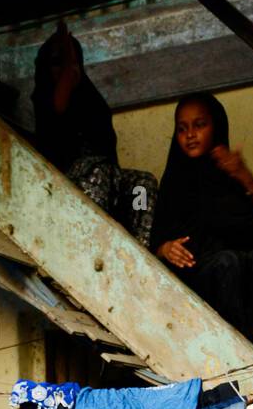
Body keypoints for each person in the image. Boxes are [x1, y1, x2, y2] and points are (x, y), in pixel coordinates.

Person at [150, 91, 253, 354]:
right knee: (227, 262)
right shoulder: (174, 181)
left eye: (199, 125)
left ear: (217, 127)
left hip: (238, 272)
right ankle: (239, 348)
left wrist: (244, 177)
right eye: (182, 129)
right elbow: (154, 241)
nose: (190, 135)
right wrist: (165, 248)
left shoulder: (231, 174)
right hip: (196, 276)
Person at [32, 20, 158, 246]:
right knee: (97, 171)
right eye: (57, 63)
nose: (68, 69)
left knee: (142, 184)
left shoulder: (90, 98)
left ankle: (140, 251)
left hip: (109, 180)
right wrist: (65, 49)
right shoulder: (45, 99)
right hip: (68, 184)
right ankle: (94, 247)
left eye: (73, 60)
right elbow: (58, 107)